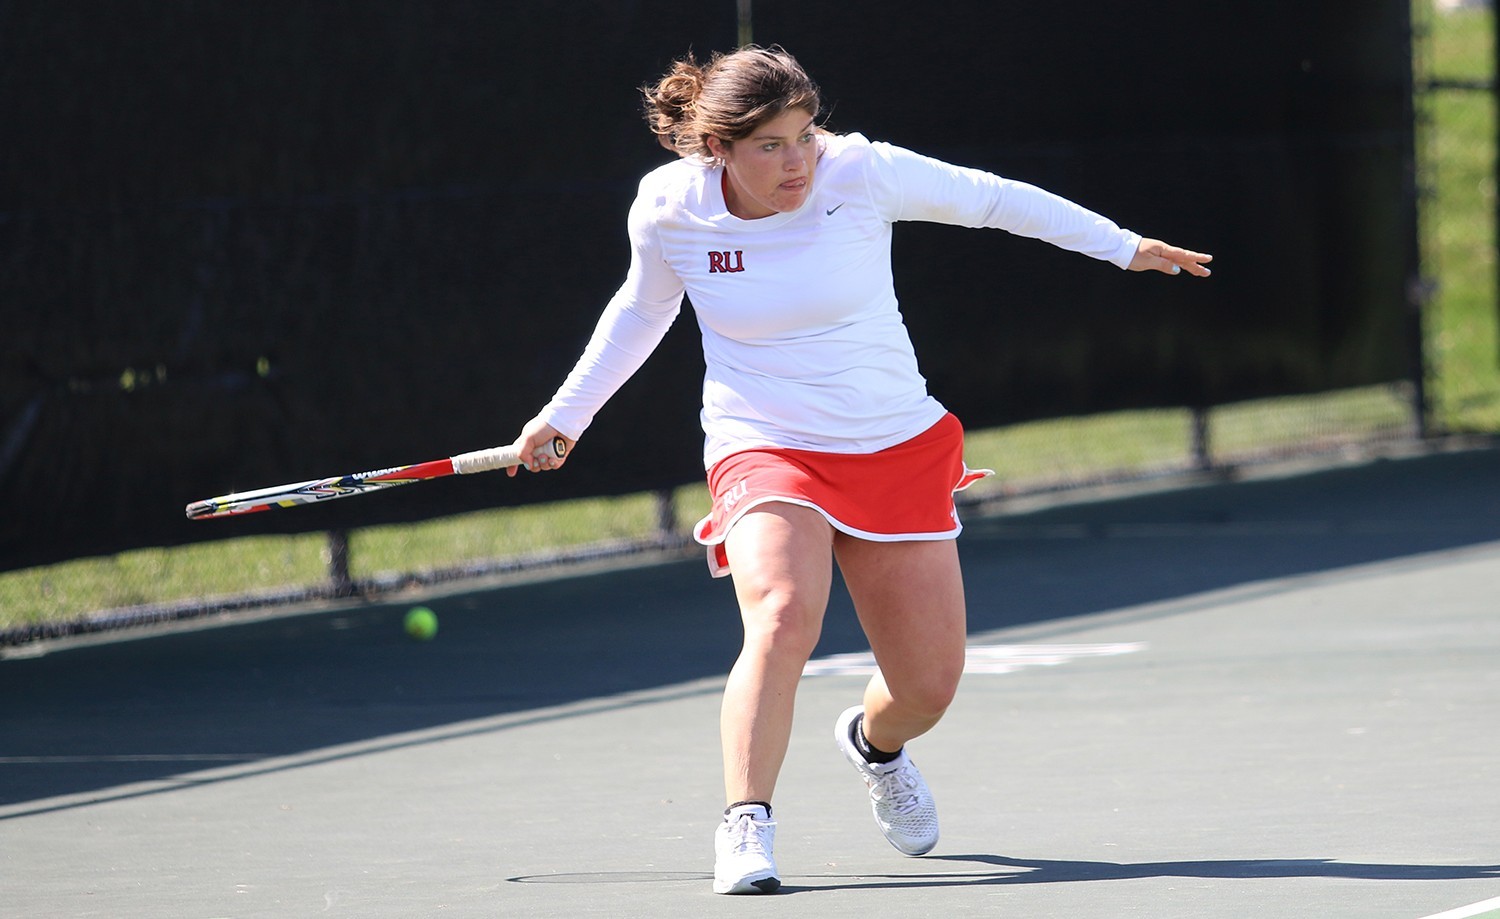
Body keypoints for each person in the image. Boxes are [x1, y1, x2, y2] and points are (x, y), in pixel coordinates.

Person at [505, 45, 1212, 895]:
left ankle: (875, 745)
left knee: (927, 686)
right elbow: (643, 308)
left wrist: (1121, 245)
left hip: (890, 441)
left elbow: (993, 200)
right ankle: (746, 823)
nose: (797, 160)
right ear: (717, 148)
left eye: (805, 135)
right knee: (783, 612)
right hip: (760, 438)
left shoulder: (862, 173)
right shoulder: (670, 208)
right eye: (770, 144)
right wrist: (566, 413)